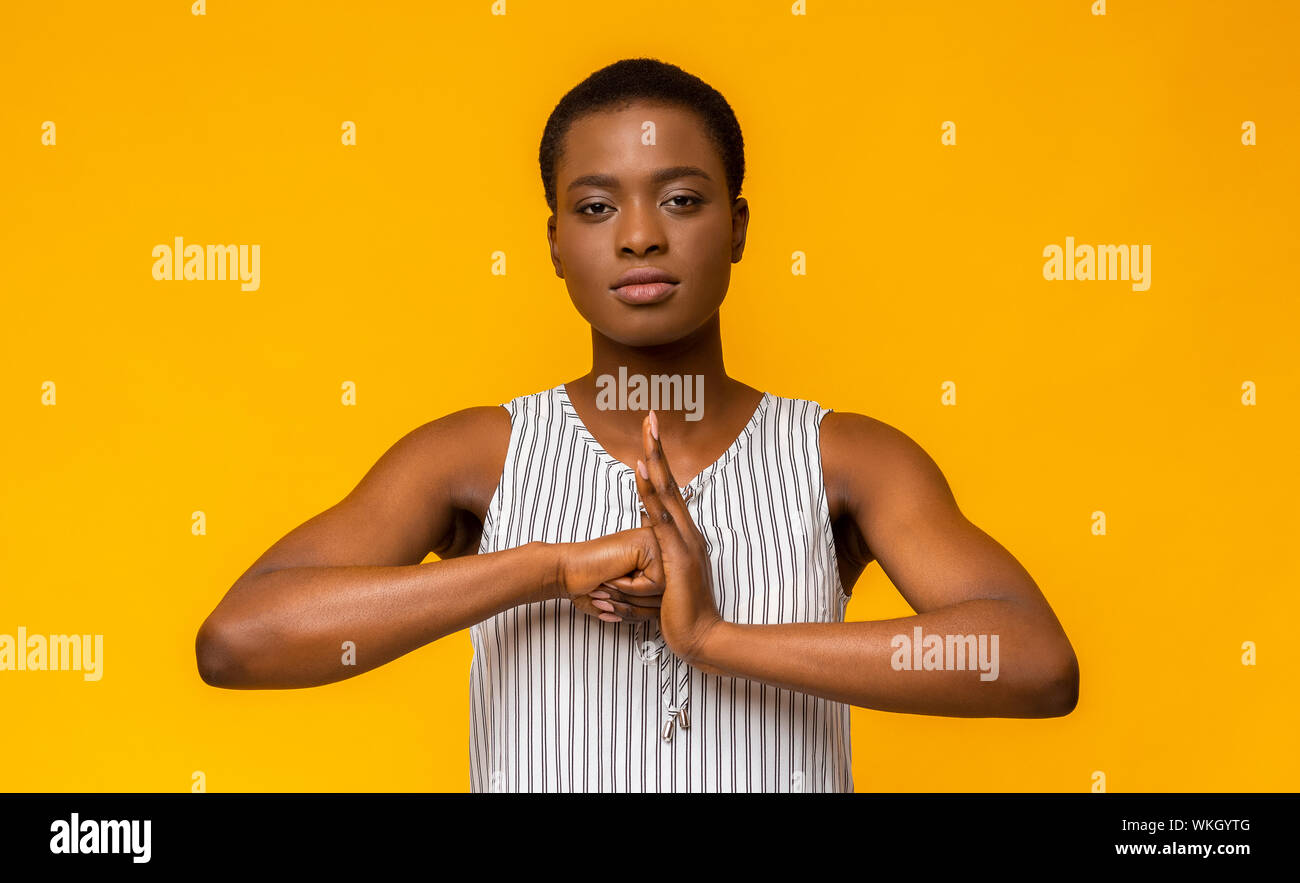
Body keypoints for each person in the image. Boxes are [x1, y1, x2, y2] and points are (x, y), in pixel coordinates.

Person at [196, 57, 1079, 793]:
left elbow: (1036, 662)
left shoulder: (845, 458)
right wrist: (548, 566)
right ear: (553, 243)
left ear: (737, 227)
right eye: (596, 207)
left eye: (683, 200)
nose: (640, 237)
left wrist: (717, 640)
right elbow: (241, 640)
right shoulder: (474, 457)